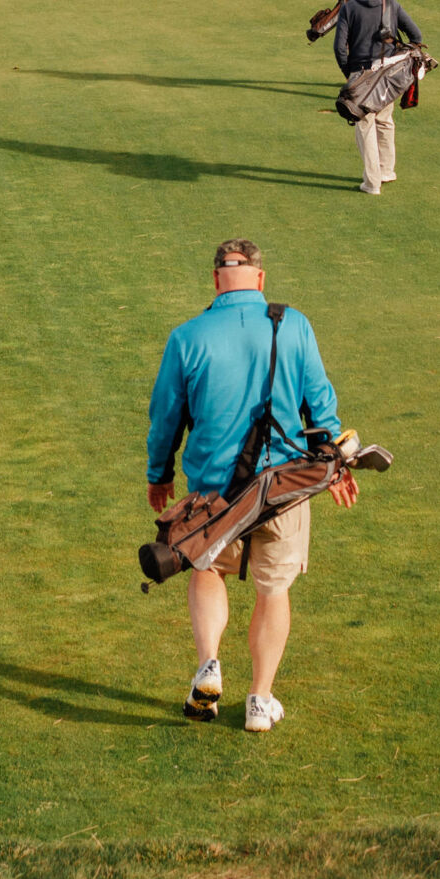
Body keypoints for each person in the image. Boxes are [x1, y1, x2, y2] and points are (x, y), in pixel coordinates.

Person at [146, 239, 358, 733]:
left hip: (213, 494)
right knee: (274, 588)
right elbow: (320, 406)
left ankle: (208, 665)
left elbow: (166, 417)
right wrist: (336, 468)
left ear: (216, 279)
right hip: (282, 489)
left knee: (207, 568)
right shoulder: (294, 325)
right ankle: (260, 700)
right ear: (260, 278)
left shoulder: (187, 337)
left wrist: (160, 475)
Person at [334, 0, 423, 197]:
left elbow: (339, 47)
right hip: (386, 75)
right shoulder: (390, 3)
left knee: (365, 125)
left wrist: (349, 74)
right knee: (384, 121)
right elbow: (416, 37)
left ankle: (372, 183)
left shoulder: (348, 7)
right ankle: (386, 171)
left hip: (360, 74)